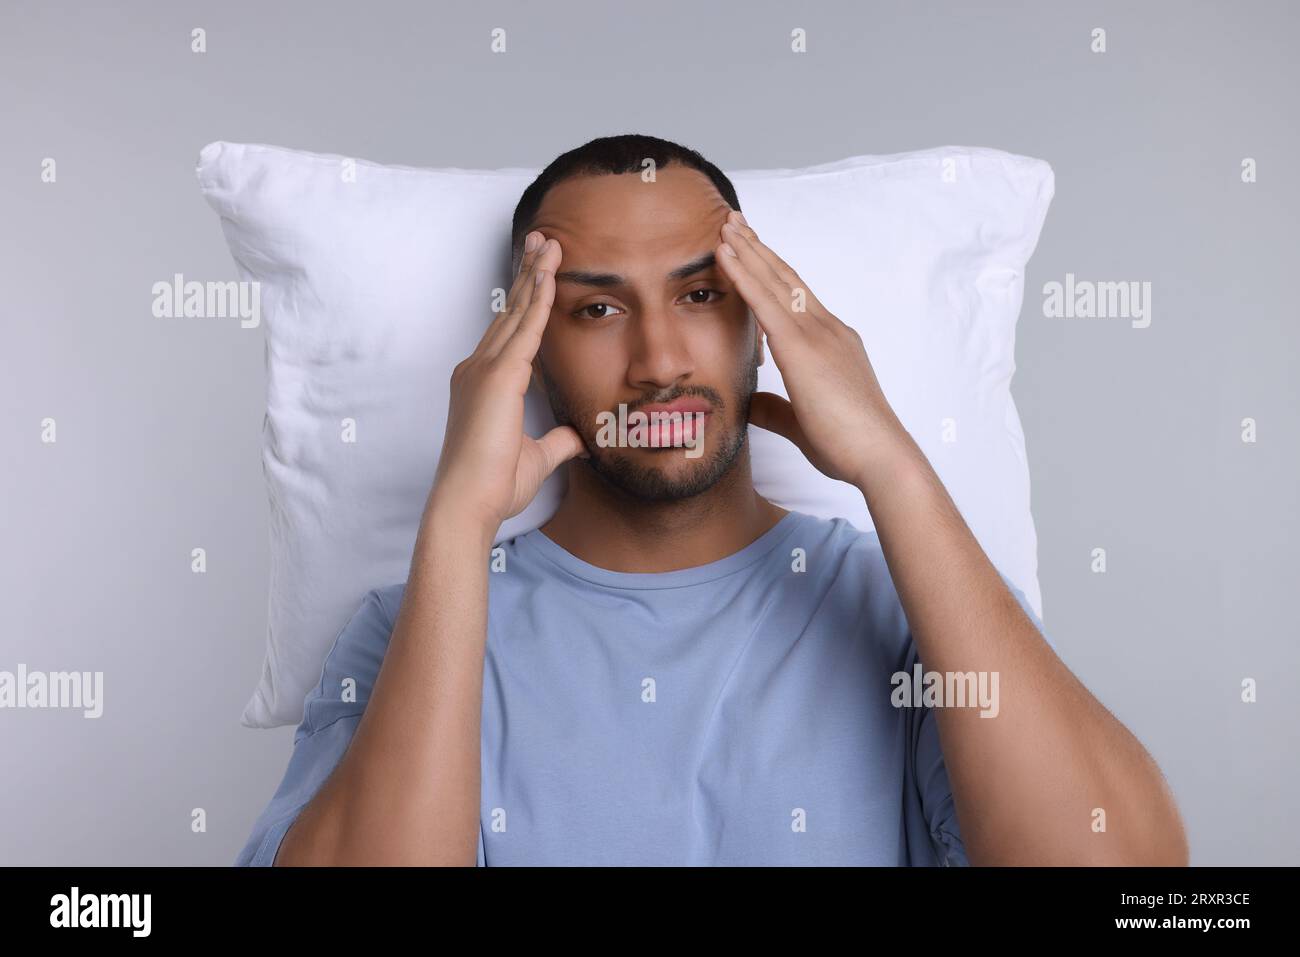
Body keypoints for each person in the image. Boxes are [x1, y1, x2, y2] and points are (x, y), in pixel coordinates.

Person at [236, 134, 1188, 866]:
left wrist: (895, 467)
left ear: (762, 326)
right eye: (597, 309)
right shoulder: (415, 631)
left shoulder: (912, 611)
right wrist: (456, 520)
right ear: (525, 350)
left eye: (700, 295)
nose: (658, 362)